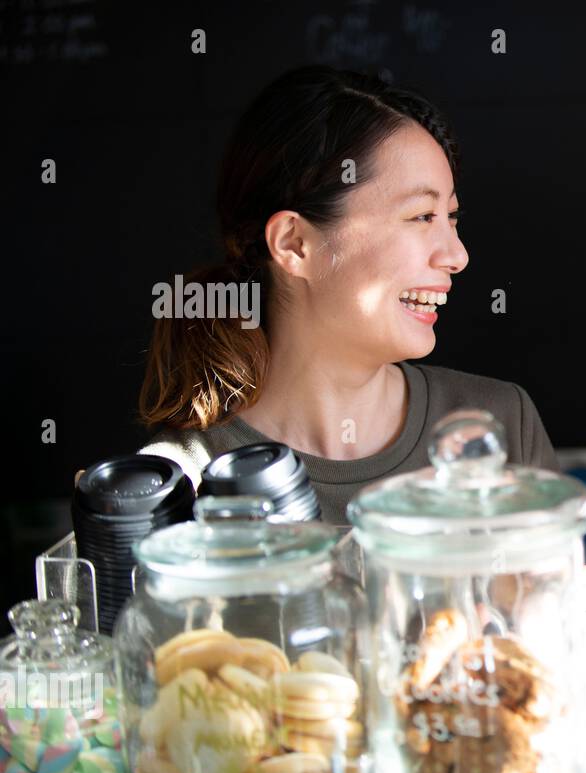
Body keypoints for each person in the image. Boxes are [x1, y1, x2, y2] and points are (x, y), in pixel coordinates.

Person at [137, 65, 557, 525]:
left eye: (451, 217)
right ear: (295, 244)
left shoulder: (501, 425)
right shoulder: (177, 489)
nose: (457, 255)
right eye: (421, 216)